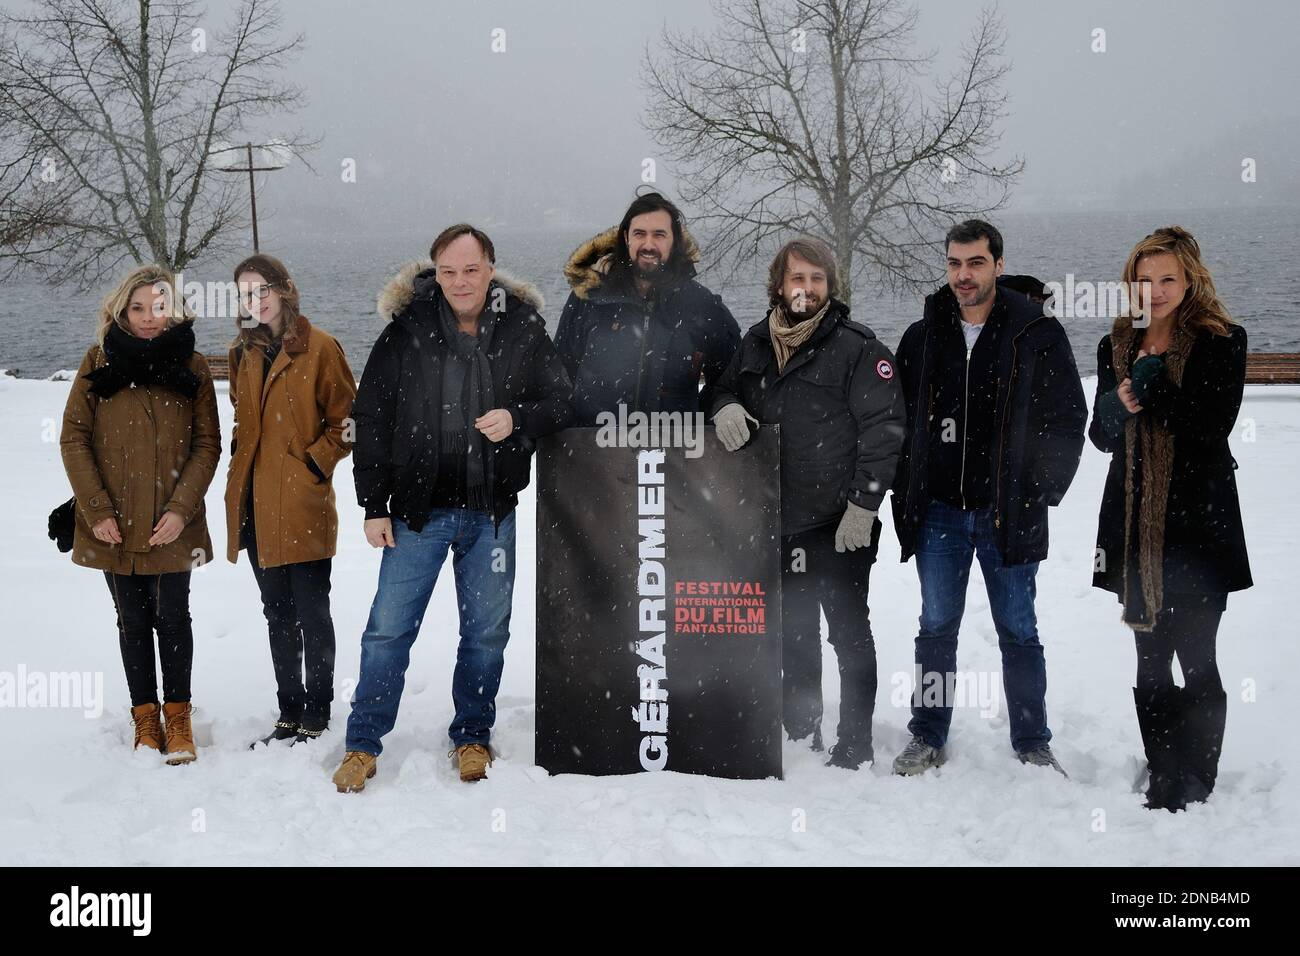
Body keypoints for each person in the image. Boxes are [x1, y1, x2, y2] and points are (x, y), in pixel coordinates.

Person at [333, 224, 571, 792]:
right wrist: (373, 503)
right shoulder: (406, 331)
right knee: (387, 633)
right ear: (434, 273)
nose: (459, 282)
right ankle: (363, 744)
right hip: (418, 514)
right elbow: (371, 419)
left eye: (470, 270)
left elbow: (564, 399)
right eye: (448, 271)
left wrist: (518, 417)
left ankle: (472, 735)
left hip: (492, 515)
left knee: (486, 633)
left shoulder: (524, 329)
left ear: (491, 270)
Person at [890, 220, 1086, 776]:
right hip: (940, 515)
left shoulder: (1035, 333)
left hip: (1009, 512)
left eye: (975, 263)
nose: (963, 275)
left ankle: (1031, 740)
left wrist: (1040, 488)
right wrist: (910, 490)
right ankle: (927, 735)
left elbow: (1068, 416)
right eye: (954, 263)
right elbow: (899, 421)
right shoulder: (922, 336)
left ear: (998, 264)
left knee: (1019, 630)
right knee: (935, 628)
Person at [711, 237, 905, 769]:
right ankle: (801, 733)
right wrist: (724, 405)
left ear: (830, 286)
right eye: (798, 278)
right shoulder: (754, 343)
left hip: (839, 522)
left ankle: (855, 744)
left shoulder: (858, 348)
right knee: (793, 631)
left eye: (817, 279)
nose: (807, 288)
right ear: (780, 284)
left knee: (848, 633)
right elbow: (718, 389)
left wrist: (864, 506)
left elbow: (884, 429)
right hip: (775, 520)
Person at [1089, 226, 1251, 811]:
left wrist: (1154, 390)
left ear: (1190, 280)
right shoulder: (1116, 341)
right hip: (1133, 525)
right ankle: (1162, 774)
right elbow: (1102, 437)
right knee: (1149, 656)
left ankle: (1198, 775)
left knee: (1197, 654)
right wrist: (1113, 407)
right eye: (1144, 278)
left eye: (1167, 279)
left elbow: (1212, 429)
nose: (1154, 291)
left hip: (1198, 524)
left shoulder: (1220, 341)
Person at [60, 264, 221, 764]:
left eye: (159, 307)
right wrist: (96, 510)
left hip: (173, 524)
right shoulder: (97, 362)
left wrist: (180, 509)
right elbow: (74, 438)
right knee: (131, 621)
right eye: (139, 308)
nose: (150, 318)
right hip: (112, 523)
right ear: (121, 311)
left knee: (173, 618)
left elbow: (207, 443)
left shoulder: (190, 367)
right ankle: (145, 718)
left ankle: (178, 718)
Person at [223, 253, 357, 748]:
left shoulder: (319, 348)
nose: (253, 301)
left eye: (261, 290)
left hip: (303, 506)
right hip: (256, 506)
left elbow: (347, 423)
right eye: (244, 293)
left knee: (311, 612)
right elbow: (244, 424)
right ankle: (289, 711)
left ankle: (318, 711)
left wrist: (312, 465)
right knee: (275, 613)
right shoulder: (243, 354)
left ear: (284, 290)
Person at [555, 191, 740, 424]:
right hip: (596, 452)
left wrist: (723, 406)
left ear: (675, 241)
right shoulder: (588, 299)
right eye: (639, 234)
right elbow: (556, 381)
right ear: (626, 238)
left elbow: (731, 382)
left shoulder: (703, 306)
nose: (648, 245)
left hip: (675, 454)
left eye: (659, 235)